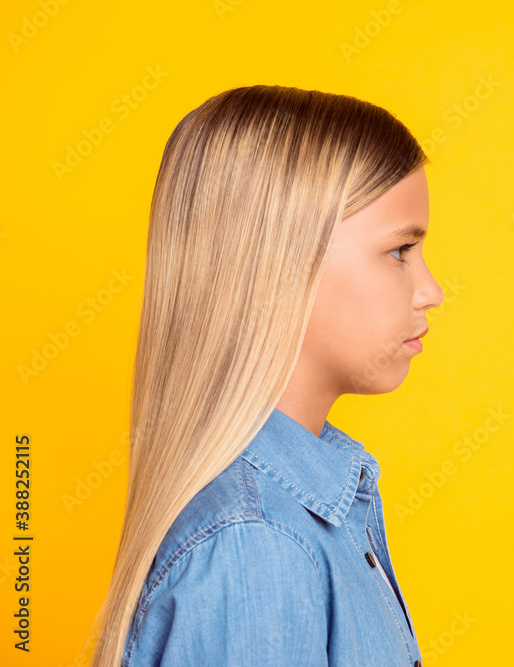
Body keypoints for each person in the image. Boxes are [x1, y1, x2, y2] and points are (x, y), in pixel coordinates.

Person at [86, 84, 444, 666]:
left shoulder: (292, 518)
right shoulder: (258, 543)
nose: (431, 291)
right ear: (281, 260)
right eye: (401, 250)